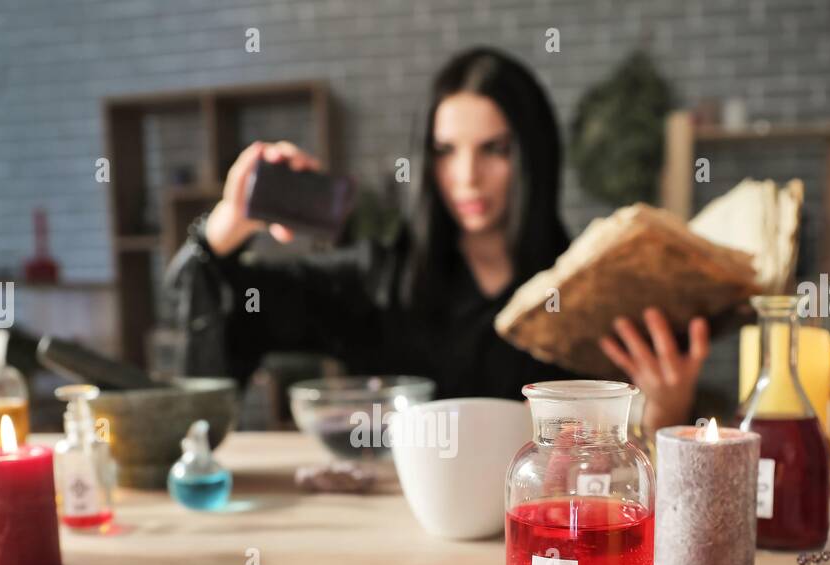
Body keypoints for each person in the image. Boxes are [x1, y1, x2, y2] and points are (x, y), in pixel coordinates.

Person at [165, 47, 709, 433]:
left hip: (543, 542)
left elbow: (624, 462)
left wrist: (668, 410)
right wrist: (232, 219)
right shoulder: (379, 284)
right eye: (447, 151)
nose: (467, 176)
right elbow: (224, 303)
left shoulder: (591, 295)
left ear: (533, 157)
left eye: (494, 149)